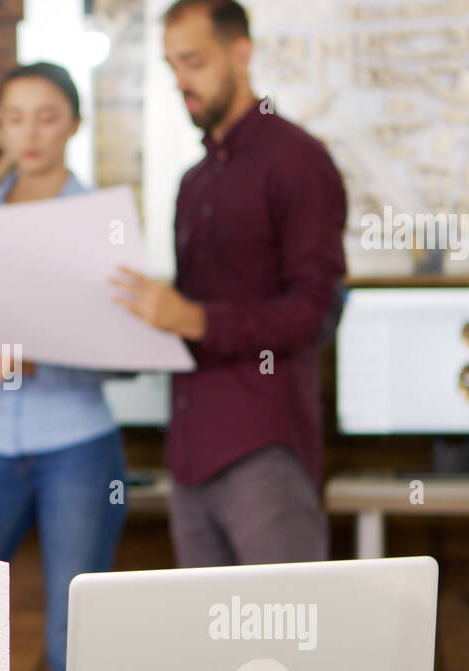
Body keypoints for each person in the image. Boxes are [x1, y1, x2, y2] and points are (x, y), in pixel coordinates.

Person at [112, 0, 346, 569]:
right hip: (189, 454)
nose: (180, 82)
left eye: (193, 61)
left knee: (288, 641)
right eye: (172, 66)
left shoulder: (299, 162)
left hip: (263, 447)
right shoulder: (192, 182)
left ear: (241, 53)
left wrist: (193, 318)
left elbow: (315, 312)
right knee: (214, 650)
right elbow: (186, 315)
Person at [0, 62, 131, 671]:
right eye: (14, 116)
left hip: (78, 444)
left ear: (74, 124)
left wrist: (47, 343)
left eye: (47, 116)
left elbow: (128, 350)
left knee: (72, 639)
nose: (30, 132)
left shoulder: (100, 221)